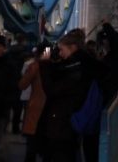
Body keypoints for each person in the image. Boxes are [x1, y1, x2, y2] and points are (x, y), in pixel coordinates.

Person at [41, 30, 99, 162]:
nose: (60, 54)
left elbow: (51, 91)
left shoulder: (74, 70)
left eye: (62, 50)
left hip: (63, 124)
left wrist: (44, 66)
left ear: (73, 48)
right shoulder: (80, 65)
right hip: (69, 122)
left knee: (62, 155)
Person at [19, 46, 47, 162]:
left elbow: (22, 85)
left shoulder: (35, 67)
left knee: (31, 148)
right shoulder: (57, 66)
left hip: (36, 109)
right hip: (52, 111)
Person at [8, 34, 29, 134]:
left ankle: (3, 126)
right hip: (20, 81)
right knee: (18, 107)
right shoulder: (25, 53)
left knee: (7, 105)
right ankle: (15, 128)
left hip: (9, 80)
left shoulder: (9, 51)